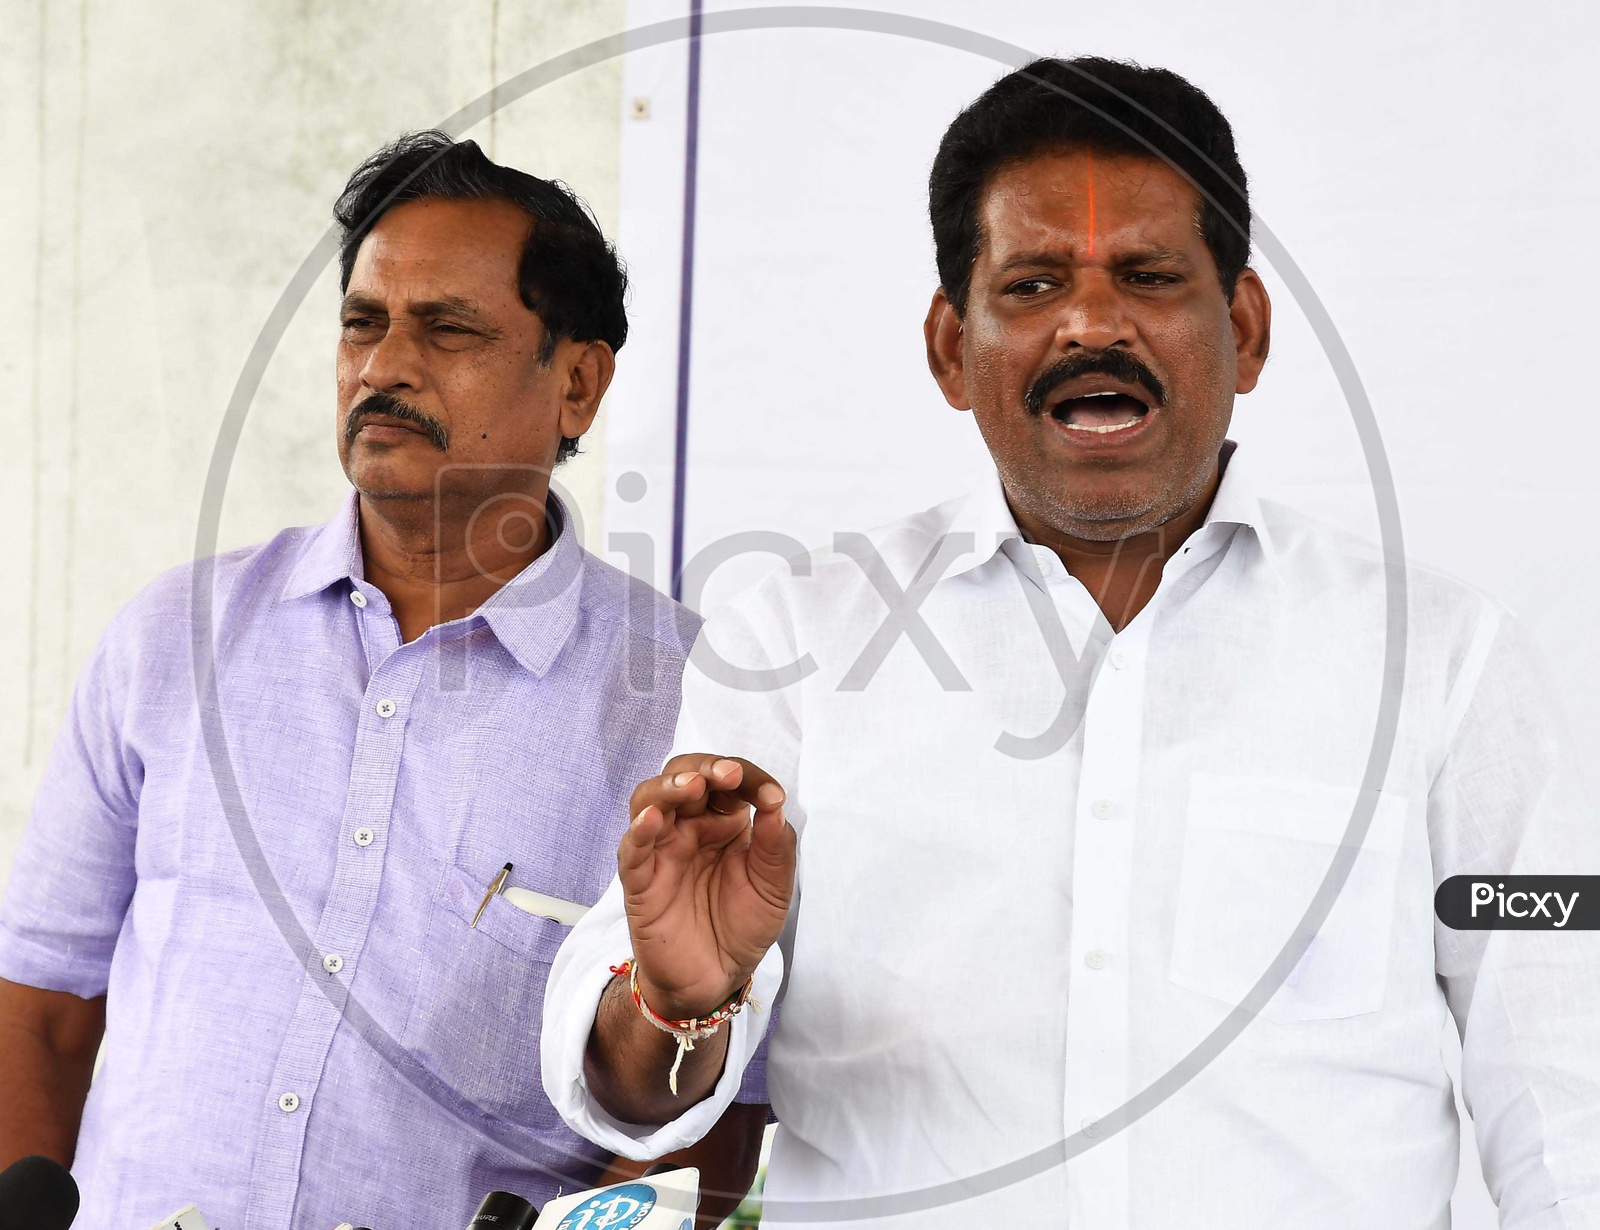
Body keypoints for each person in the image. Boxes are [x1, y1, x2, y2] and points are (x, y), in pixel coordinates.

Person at [541, 58, 1600, 1228]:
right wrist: (682, 998)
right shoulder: (790, 641)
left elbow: (1566, 1088)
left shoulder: (1447, 663)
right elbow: (630, 1092)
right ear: (951, 347)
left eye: (1145, 276)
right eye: (1034, 284)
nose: (1092, 322)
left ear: (1243, 330)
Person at [0, 132, 763, 1229]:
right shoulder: (176, 637)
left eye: (448, 329)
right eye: (364, 322)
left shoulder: (683, 703)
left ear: (579, 385)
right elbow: (42, 1006)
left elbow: (701, 1127)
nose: (384, 365)